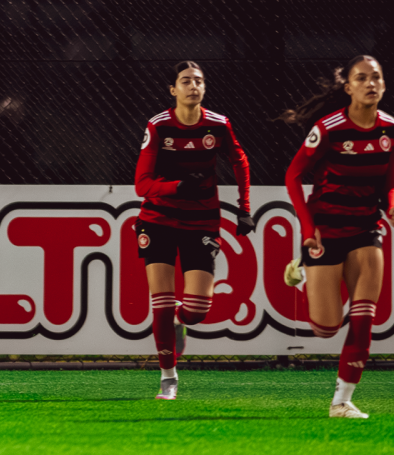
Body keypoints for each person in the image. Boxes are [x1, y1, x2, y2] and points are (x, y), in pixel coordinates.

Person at [135, 61, 253, 400]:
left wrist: (244, 207)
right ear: (173, 90)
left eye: (198, 81)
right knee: (161, 300)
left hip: (201, 221)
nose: (193, 86)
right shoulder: (158, 126)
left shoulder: (218, 124)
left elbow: (240, 160)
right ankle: (168, 379)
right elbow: (141, 184)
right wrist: (177, 187)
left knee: (198, 310)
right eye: (185, 81)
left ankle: (180, 321)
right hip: (158, 218)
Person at [281, 55, 390, 419]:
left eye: (376, 77)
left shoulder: (390, 130)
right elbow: (293, 176)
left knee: (363, 317)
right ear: (349, 88)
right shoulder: (329, 128)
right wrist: (306, 227)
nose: (370, 83)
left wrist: (390, 204)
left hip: (366, 228)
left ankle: (341, 401)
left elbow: (391, 182)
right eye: (362, 78)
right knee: (326, 328)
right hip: (326, 229)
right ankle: (305, 267)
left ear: (384, 85)